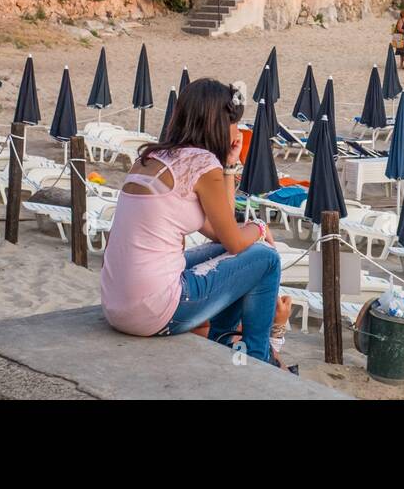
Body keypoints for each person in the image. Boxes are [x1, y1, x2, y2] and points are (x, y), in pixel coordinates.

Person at [100, 79, 282, 364]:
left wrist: (229, 165)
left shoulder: (151, 157)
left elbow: (219, 234)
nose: (237, 131)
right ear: (219, 124)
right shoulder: (200, 162)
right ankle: (256, 360)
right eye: (234, 123)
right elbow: (234, 240)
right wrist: (259, 228)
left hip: (117, 306)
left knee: (239, 251)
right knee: (266, 257)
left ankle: (224, 341)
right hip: (154, 310)